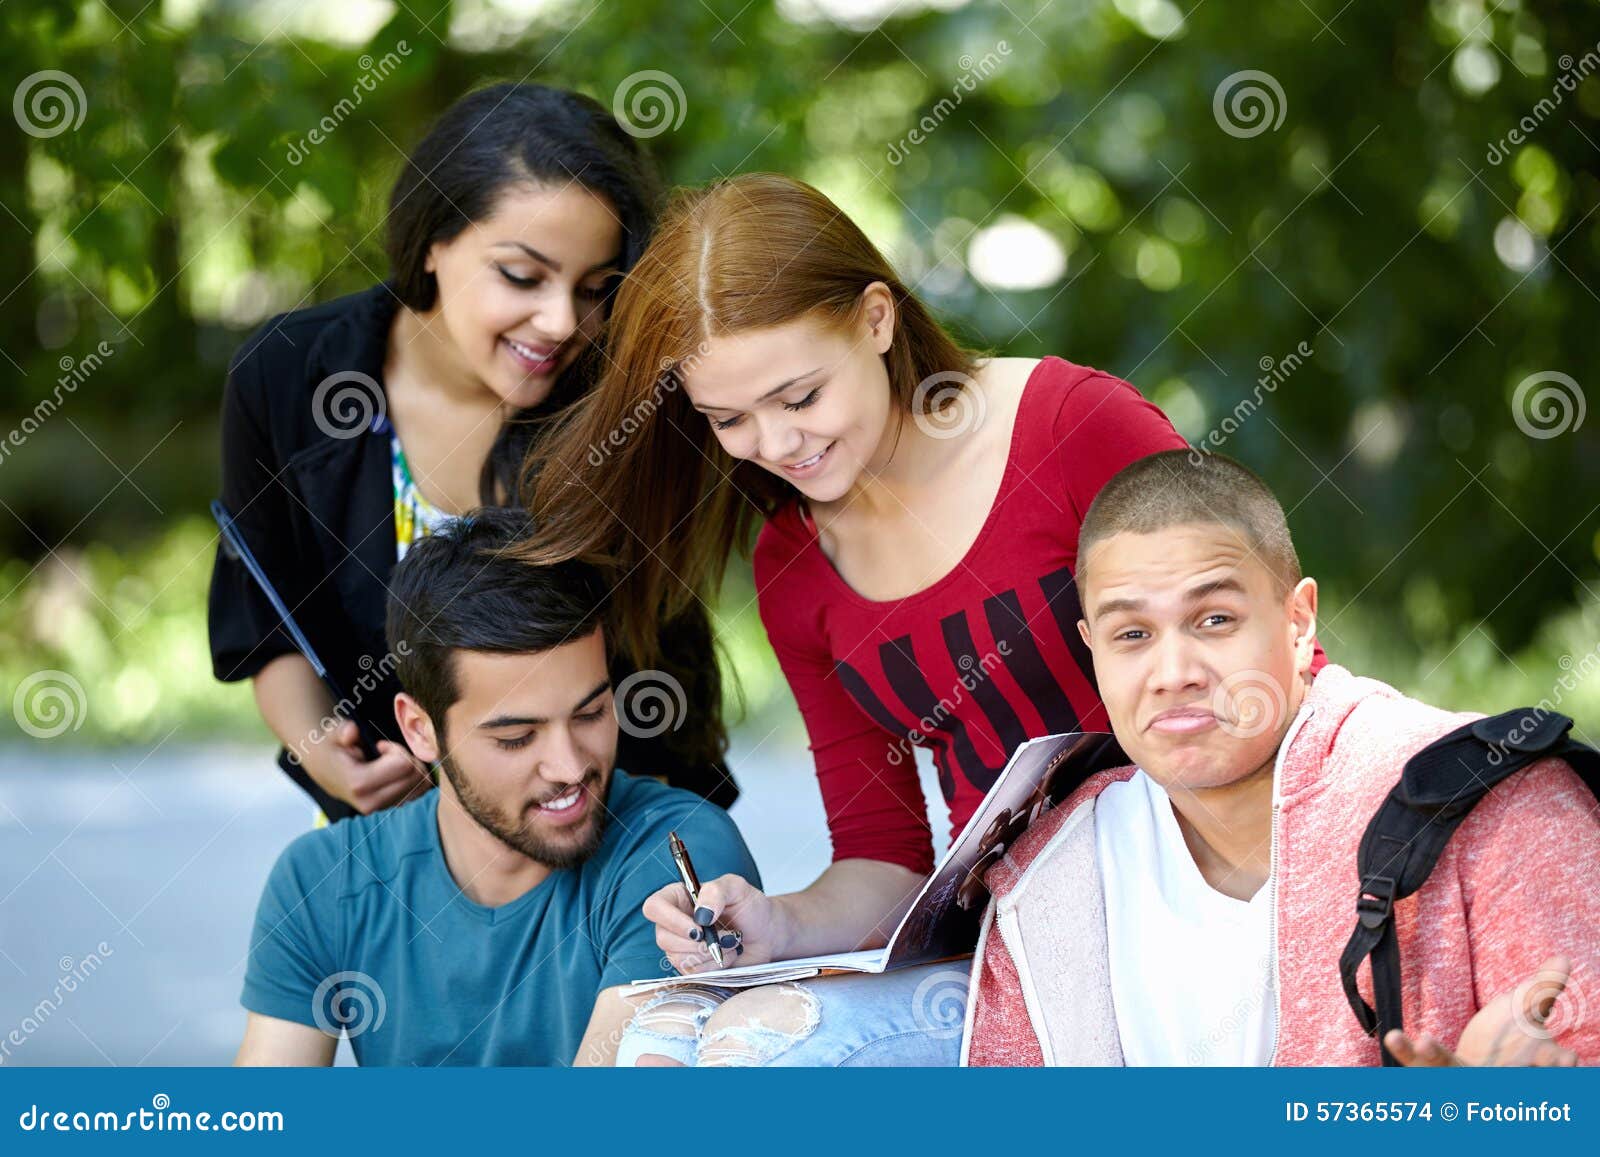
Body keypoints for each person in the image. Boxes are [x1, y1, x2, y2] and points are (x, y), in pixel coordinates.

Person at [523, 173, 1323, 1064]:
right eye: (728, 419)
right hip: (1013, 942)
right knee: (656, 1040)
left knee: (760, 1054)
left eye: (798, 397)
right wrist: (775, 922)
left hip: (1215, 899)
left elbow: (1265, 662)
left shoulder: (1071, 428)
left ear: (875, 318)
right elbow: (886, 852)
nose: (778, 444)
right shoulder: (794, 565)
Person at [964, 450, 1599, 1066]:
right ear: (1092, 647)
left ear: (1298, 624)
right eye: (1132, 634)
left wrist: (1494, 1122)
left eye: (1213, 619)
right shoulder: (1047, 880)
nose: (1173, 672)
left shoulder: (1493, 801)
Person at [208, 82, 734, 824]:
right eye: (521, 276)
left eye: (594, 289)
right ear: (433, 239)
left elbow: (654, 662)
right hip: (398, 835)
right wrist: (325, 748)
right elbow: (267, 619)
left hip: (612, 820)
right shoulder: (285, 377)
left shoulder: (618, 397)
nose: (559, 323)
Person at [233, 509, 759, 1066]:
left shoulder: (679, 859)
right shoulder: (325, 881)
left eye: (591, 713)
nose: (569, 766)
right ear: (421, 730)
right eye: (516, 736)